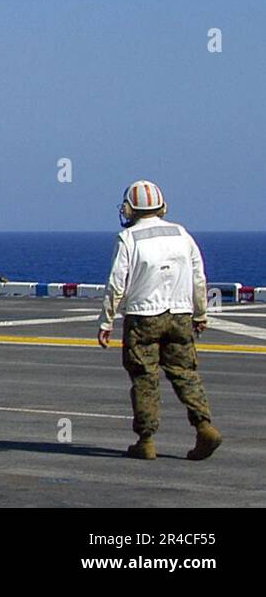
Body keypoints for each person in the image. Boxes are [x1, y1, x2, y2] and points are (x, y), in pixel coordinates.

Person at [97, 180, 221, 460]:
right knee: (186, 374)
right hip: (180, 315)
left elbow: (117, 283)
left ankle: (146, 440)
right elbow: (199, 278)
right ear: (161, 206)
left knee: (144, 377)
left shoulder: (128, 238)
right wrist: (200, 313)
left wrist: (107, 322)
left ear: (130, 208)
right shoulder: (181, 233)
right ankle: (204, 427)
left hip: (142, 318)